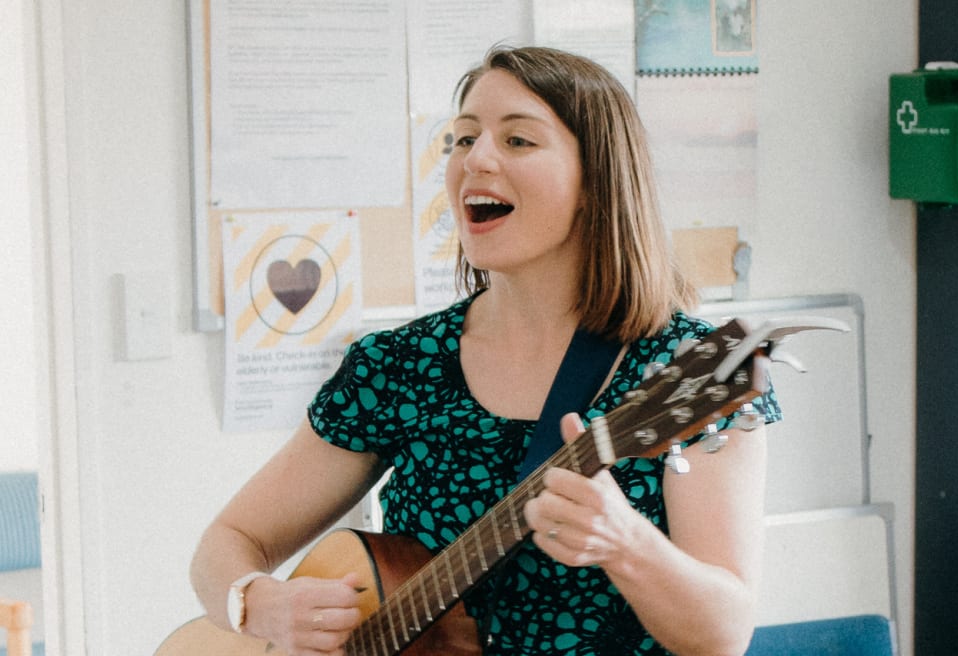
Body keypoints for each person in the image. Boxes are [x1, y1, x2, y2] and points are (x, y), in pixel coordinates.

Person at [190, 45, 779, 656]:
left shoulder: (693, 369)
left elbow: (723, 635)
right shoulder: (399, 365)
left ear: (594, 182)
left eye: (518, 141)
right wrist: (257, 604)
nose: (476, 159)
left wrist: (626, 544)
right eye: (463, 139)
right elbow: (229, 541)